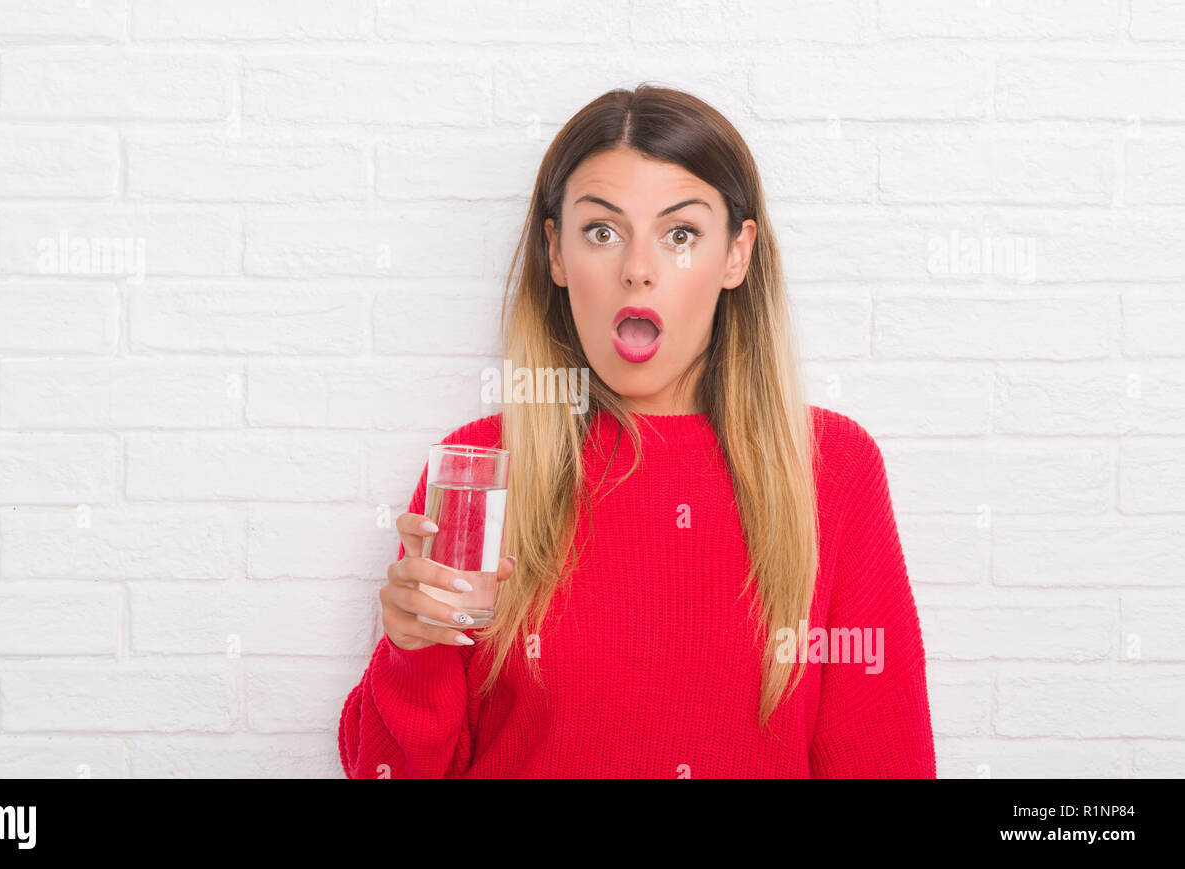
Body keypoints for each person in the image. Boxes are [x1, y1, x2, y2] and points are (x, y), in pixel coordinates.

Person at [339, 83, 936, 778]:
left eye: (680, 234)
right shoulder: (483, 468)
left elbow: (883, 761)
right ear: (557, 253)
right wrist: (415, 650)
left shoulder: (831, 467)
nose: (638, 270)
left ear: (736, 255)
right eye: (602, 231)